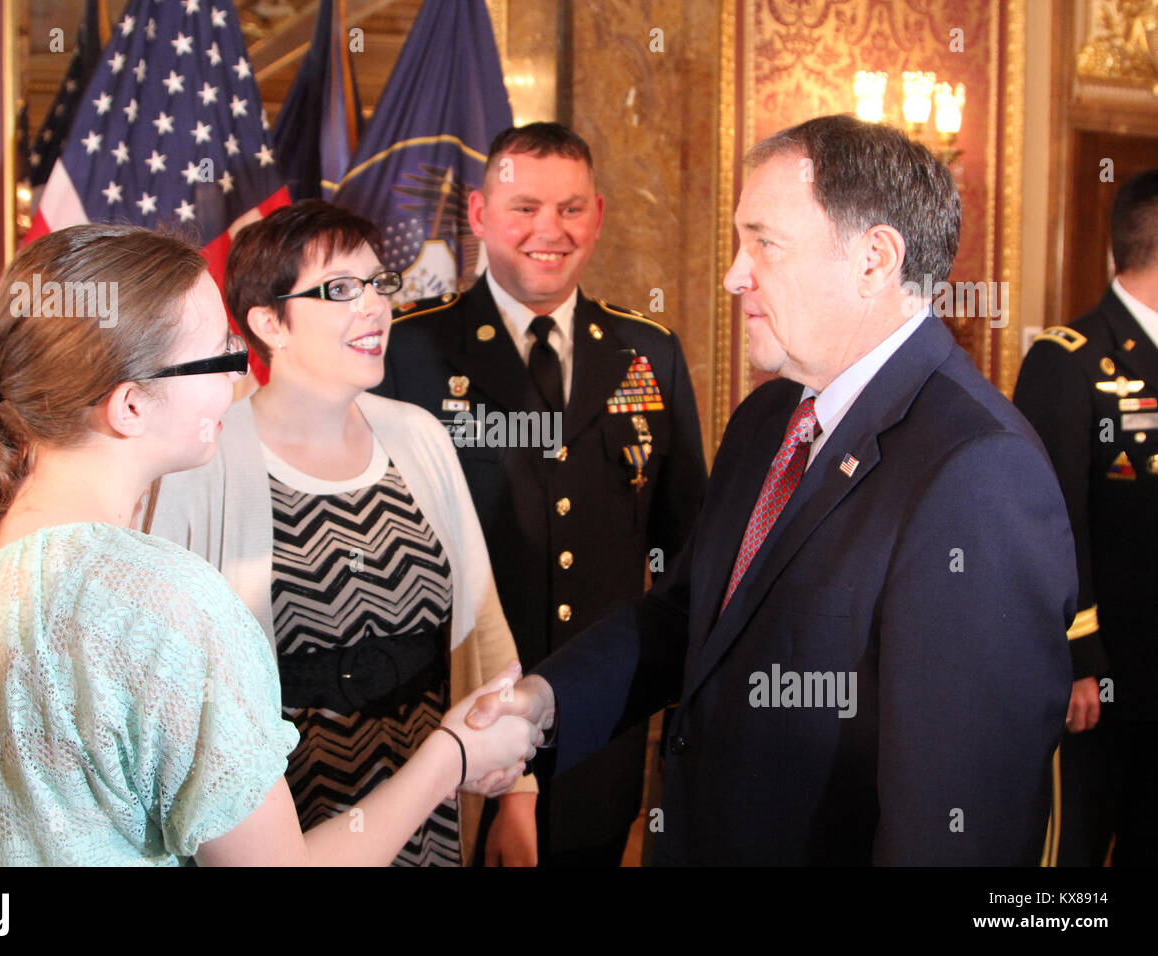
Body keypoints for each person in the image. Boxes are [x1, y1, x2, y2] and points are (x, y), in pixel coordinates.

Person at [467, 114, 1076, 865]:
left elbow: (956, 821)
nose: (734, 274)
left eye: (765, 243)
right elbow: (691, 617)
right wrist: (544, 702)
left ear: (874, 260)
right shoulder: (769, 416)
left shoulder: (979, 472)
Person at [0, 223, 534, 866]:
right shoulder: (173, 605)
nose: (239, 378)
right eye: (219, 357)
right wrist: (452, 754)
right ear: (130, 407)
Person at [148, 202, 537, 867]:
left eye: (378, 284)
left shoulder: (418, 436)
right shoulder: (204, 463)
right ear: (268, 322)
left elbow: (483, 622)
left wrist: (517, 795)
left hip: (432, 814)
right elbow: (166, 688)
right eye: (340, 290)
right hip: (279, 835)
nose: (376, 307)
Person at [375, 122, 707, 866]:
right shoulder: (408, 351)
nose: (548, 231)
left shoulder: (648, 351)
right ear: (479, 214)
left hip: (598, 740)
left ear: (599, 216)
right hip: (452, 729)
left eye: (571, 208)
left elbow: (689, 550)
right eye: (524, 207)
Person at [1013, 167, 1158, 867]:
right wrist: (1077, 659)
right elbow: (1048, 525)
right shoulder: (1068, 361)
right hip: (1099, 677)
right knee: (1068, 867)